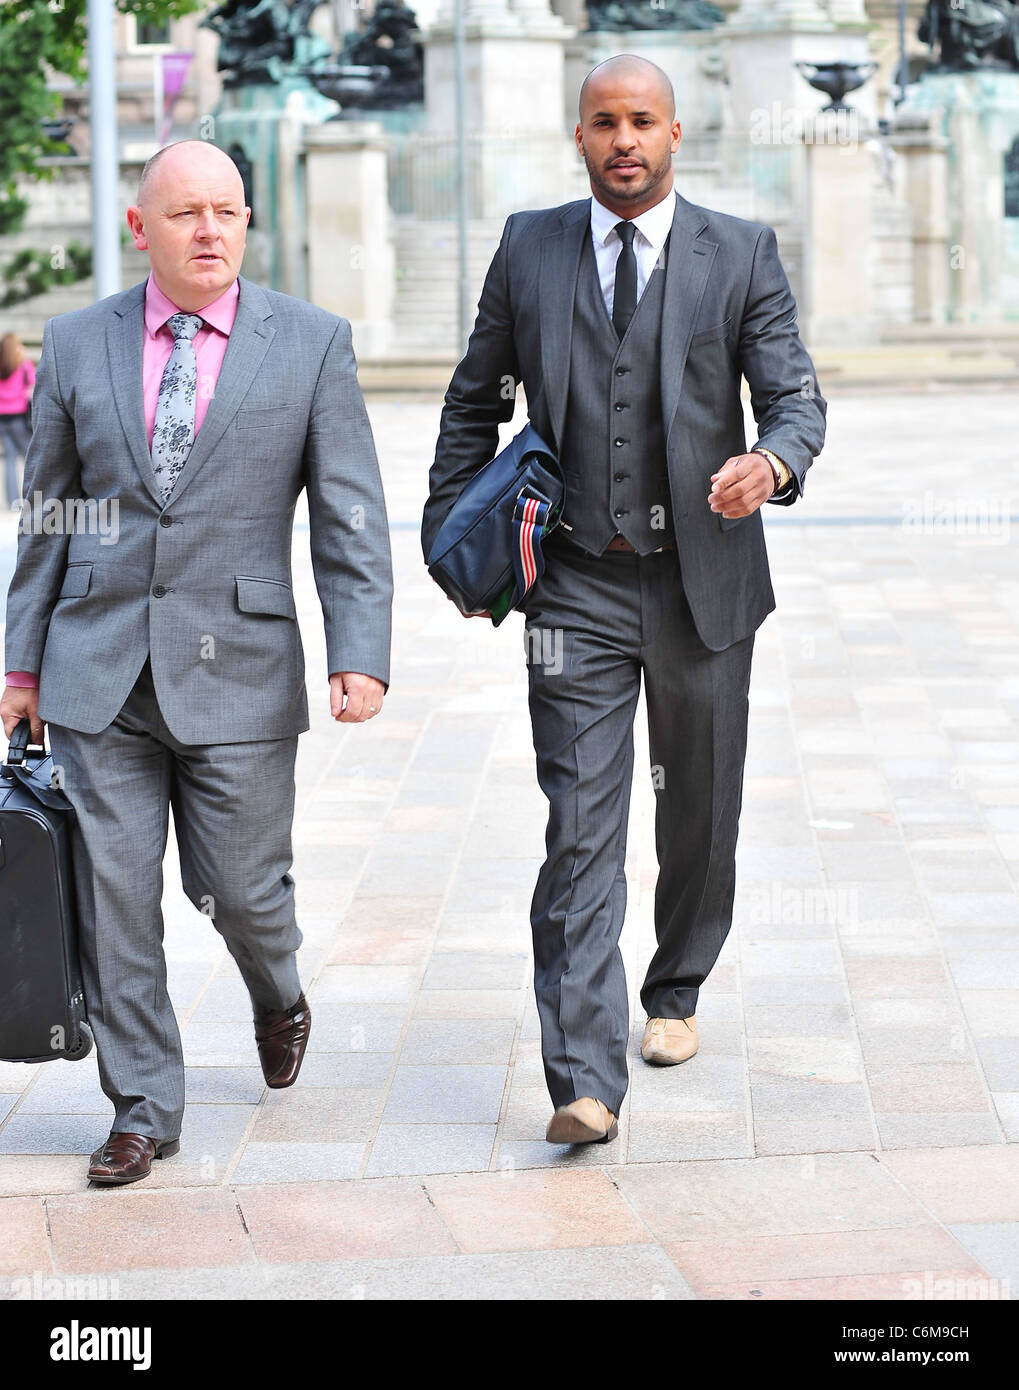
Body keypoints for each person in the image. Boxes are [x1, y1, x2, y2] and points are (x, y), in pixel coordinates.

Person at [423, 56, 827, 1146]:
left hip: (705, 584)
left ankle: (677, 985)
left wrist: (773, 465)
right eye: (602, 121)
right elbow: (474, 402)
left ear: (675, 132)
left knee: (697, 812)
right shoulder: (528, 246)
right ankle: (582, 1077)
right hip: (572, 587)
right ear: (578, 134)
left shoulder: (736, 251)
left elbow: (792, 395)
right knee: (579, 832)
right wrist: (450, 538)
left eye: (640, 120)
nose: (622, 140)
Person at [1, 140, 393, 1185]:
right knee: (116, 893)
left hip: (243, 670)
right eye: (185, 214)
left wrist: (360, 649)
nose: (209, 229)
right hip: (99, 669)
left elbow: (347, 513)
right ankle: (144, 1107)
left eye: (227, 210)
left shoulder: (309, 343)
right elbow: (50, 513)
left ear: (248, 221)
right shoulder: (79, 342)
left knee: (241, 889)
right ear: (142, 228)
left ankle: (279, 991)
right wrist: (22, 662)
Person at [0, 332, 35, 508]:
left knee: (10, 458)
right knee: (31, 456)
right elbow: (32, 386)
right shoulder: (23, 365)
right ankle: (33, 495)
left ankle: (13, 501)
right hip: (18, 418)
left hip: (1, 418)